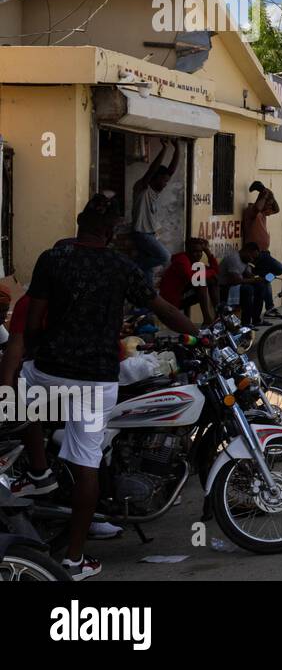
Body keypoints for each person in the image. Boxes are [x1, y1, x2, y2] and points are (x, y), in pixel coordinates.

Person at [2, 193, 199, 580]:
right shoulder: (122, 267)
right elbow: (167, 312)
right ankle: (74, 561)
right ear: (110, 233)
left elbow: (35, 317)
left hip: (51, 372)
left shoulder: (52, 259)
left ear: (78, 224)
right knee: (88, 462)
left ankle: (40, 473)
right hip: (96, 381)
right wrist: (199, 335)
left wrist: (40, 349)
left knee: (24, 392)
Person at [130, 138, 179, 280]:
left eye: (166, 181)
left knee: (148, 274)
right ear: (154, 178)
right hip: (141, 234)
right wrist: (163, 149)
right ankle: (132, 266)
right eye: (163, 180)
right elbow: (151, 170)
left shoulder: (154, 192)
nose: (165, 184)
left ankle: (147, 298)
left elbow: (171, 170)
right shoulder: (142, 188)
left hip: (150, 234)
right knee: (165, 257)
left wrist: (177, 149)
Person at [242, 182, 282, 321]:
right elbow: (258, 206)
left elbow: (277, 209)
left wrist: (269, 194)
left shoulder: (263, 213)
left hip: (264, 252)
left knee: (264, 282)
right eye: (268, 203)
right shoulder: (252, 212)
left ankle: (268, 308)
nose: (270, 206)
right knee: (279, 268)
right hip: (256, 254)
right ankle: (269, 307)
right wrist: (264, 194)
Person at [158, 237, 218, 325]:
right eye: (195, 251)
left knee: (212, 279)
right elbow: (191, 276)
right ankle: (207, 319)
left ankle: (218, 313)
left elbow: (215, 269)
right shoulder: (182, 259)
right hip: (170, 301)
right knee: (201, 281)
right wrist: (212, 272)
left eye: (201, 252)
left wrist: (207, 251)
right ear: (188, 252)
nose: (198, 254)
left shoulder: (195, 263)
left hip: (181, 295)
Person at [219, 242, 269, 326]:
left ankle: (256, 320)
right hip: (225, 287)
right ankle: (246, 323)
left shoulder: (245, 260)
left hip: (235, 286)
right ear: (246, 251)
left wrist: (258, 279)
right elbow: (235, 280)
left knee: (261, 286)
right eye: (252, 257)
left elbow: (248, 275)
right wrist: (254, 280)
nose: (252, 260)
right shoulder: (233, 258)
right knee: (247, 289)